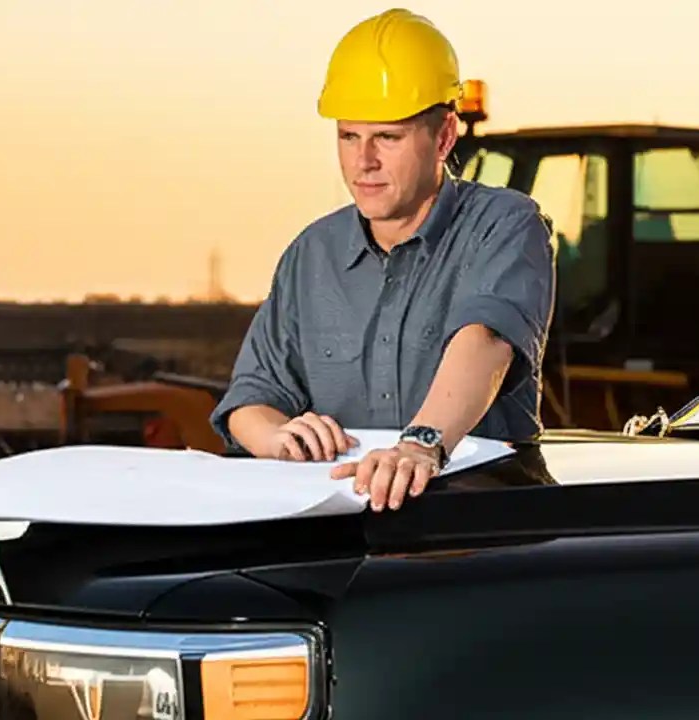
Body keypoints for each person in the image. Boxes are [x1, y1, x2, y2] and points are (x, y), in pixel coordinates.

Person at [209, 8, 556, 512]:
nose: (362, 161)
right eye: (349, 136)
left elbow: (485, 340)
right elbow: (249, 400)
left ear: (443, 137)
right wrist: (277, 436)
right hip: (340, 535)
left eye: (387, 138)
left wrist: (420, 445)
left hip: (478, 533)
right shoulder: (311, 255)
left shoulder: (504, 224)